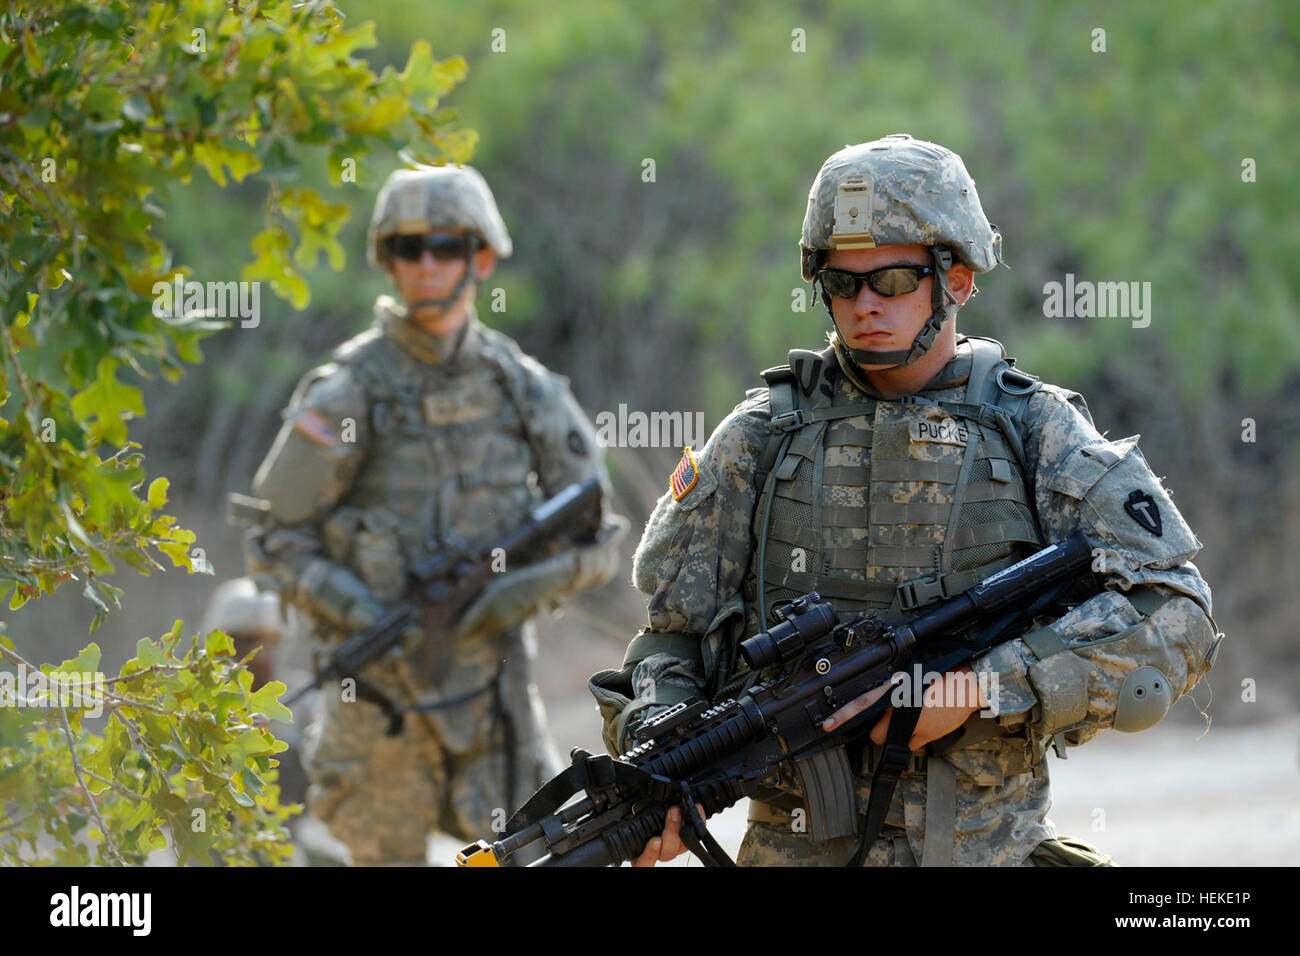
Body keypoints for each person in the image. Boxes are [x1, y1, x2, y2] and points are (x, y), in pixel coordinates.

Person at [589, 133, 1221, 867]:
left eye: (891, 281)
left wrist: (984, 687)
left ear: (957, 279)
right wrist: (662, 748)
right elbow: (673, 637)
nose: (863, 306)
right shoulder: (762, 437)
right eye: (840, 283)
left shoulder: (1033, 429)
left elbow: (1177, 610)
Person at [242, 163, 625, 865]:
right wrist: (348, 601)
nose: (424, 265)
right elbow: (272, 538)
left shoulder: (524, 390)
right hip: (378, 714)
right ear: (387, 261)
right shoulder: (349, 394)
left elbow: (601, 536)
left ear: (480, 258)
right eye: (406, 248)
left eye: (443, 246)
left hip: (496, 706)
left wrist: (522, 587)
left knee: (539, 855)